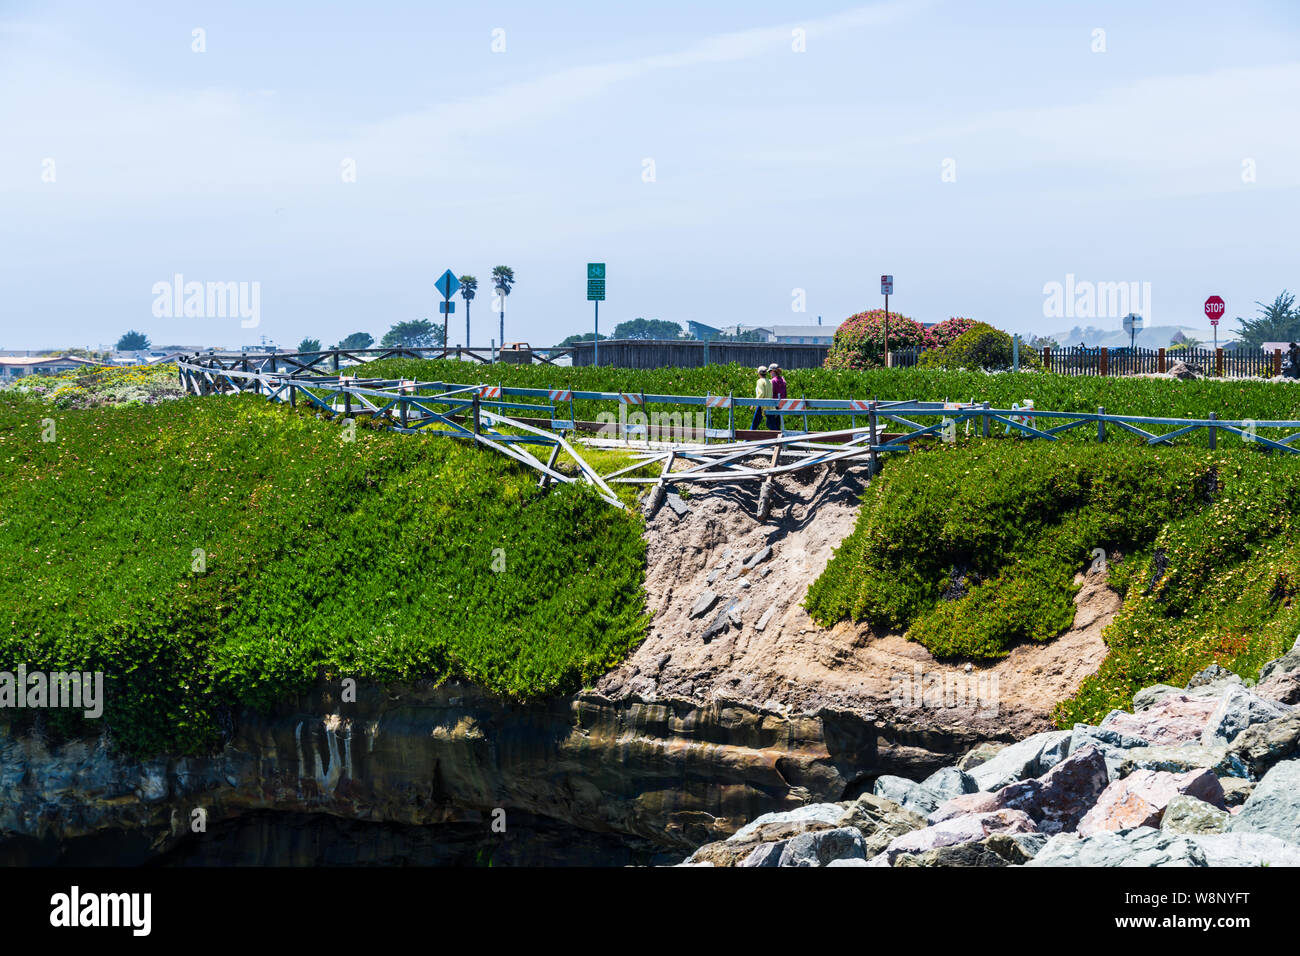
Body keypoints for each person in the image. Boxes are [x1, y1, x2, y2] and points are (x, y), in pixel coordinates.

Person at [768, 363, 786, 431]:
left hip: (774, 404)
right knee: (778, 422)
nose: (769, 373)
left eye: (770, 371)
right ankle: (778, 437)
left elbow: (771, 393)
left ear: (773, 371)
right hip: (782, 403)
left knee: (770, 423)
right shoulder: (783, 379)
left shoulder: (773, 381)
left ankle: (775, 437)